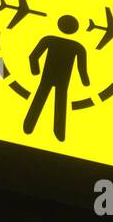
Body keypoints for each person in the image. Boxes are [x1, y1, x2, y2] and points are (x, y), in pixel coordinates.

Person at [25, 14, 89, 142]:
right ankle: (58, 133)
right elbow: (82, 69)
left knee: (40, 98)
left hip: (48, 78)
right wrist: (85, 82)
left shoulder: (49, 40)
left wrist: (35, 71)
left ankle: (29, 127)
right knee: (59, 102)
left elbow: (33, 57)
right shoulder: (78, 47)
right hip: (62, 81)